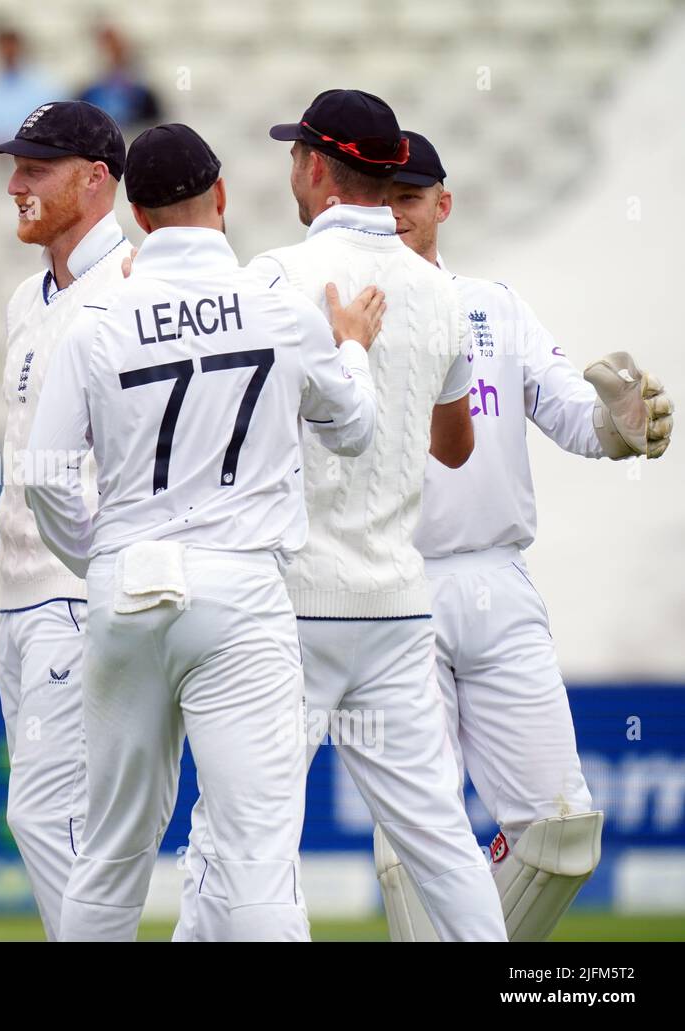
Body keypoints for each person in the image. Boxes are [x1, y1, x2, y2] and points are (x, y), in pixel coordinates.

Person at [26, 123, 381, 941]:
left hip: (125, 585)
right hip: (240, 589)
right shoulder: (278, 305)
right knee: (257, 850)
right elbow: (354, 429)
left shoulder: (96, 318)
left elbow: (41, 472)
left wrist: (101, 554)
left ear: (139, 217)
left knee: (112, 852)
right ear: (220, 197)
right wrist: (353, 347)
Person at [176, 90, 509, 942]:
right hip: (396, 600)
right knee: (440, 838)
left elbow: (226, 425)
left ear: (316, 168)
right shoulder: (439, 292)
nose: (292, 167)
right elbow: (456, 447)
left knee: (241, 835)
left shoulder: (275, 275)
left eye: (296, 155)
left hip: (287, 605)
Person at [375, 130, 674, 940]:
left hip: (499, 577)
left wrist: (619, 424)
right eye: (383, 195)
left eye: (412, 196)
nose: (397, 212)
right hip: (392, 588)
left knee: (563, 832)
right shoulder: (347, 312)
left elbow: (572, 412)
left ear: (444, 202)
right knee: (419, 841)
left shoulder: (494, 307)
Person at [0, 100, 131, 940]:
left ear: (95, 180)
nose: (16, 185)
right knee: (78, 824)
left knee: (47, 816)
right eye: (17, 167)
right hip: (20, 599)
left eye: (35, 169)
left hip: (80, 598)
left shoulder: (133, 287)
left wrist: (93, 570)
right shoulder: (25, 299)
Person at [77, 26, 161, 130]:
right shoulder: (88, 94)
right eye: (107, 50)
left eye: (117, 50)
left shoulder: (143, 95)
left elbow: (152, 124)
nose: (111, 56)